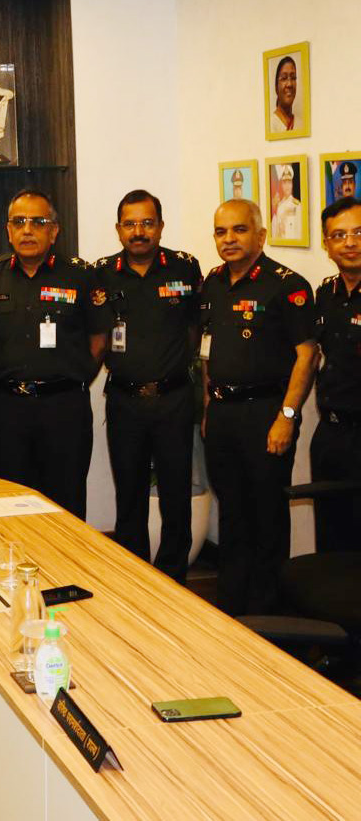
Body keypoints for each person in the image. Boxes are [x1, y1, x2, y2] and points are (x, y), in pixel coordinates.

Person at [201, 199, 317, 615]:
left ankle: (269, 614)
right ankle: (232, 607)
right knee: (232, 512)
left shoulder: (286, 285)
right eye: (221, 232)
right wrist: (207, 409)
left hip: (267, 413)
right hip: (223, 414)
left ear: (261, 235)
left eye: (239, 230)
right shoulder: (213, 282)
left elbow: (308, 355)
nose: (229, 239)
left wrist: (287, 417)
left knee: (267, 516)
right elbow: (207, 351)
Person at [0, 190, 110, 519]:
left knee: (66, 502)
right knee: (10, 502)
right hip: (8, 409)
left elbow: (98, 337)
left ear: (54, 230)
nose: (27, 230)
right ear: (8, 230)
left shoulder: (80, 274)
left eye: (38, 222)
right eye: (19, 222)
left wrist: (75, 375)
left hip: (64, 408)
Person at [93, 191, 202, 581]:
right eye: (130, 224)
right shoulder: (102, 273)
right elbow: (96, 333)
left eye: (147, 223)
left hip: (174, 399)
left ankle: (173, 580)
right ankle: (135, 579)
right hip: (125, 401)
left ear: (160, 226)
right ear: (118, 229)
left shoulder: (185, 267)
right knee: (129, 496)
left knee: (177, 497)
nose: (138, 231)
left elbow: (194, 331)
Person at [310, 196, 361, 552]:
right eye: (339, 235)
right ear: (327, 245)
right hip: (330, 433)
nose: (350, 243)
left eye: (359, 233)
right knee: (331, 538)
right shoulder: (325, 293)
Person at [271, 165, 301, 241]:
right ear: (281, 185)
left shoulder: (297, 205)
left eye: (289, 183)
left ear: (292, 185)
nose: (287, 186)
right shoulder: (279, 205)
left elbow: (299, 231)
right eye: (284, 183)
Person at [270, 55, 297, 133]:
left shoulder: (300, 123)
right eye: (284, 78)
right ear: (276, 87)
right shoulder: (270, 123)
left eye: (293, 78)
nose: (289, 84)